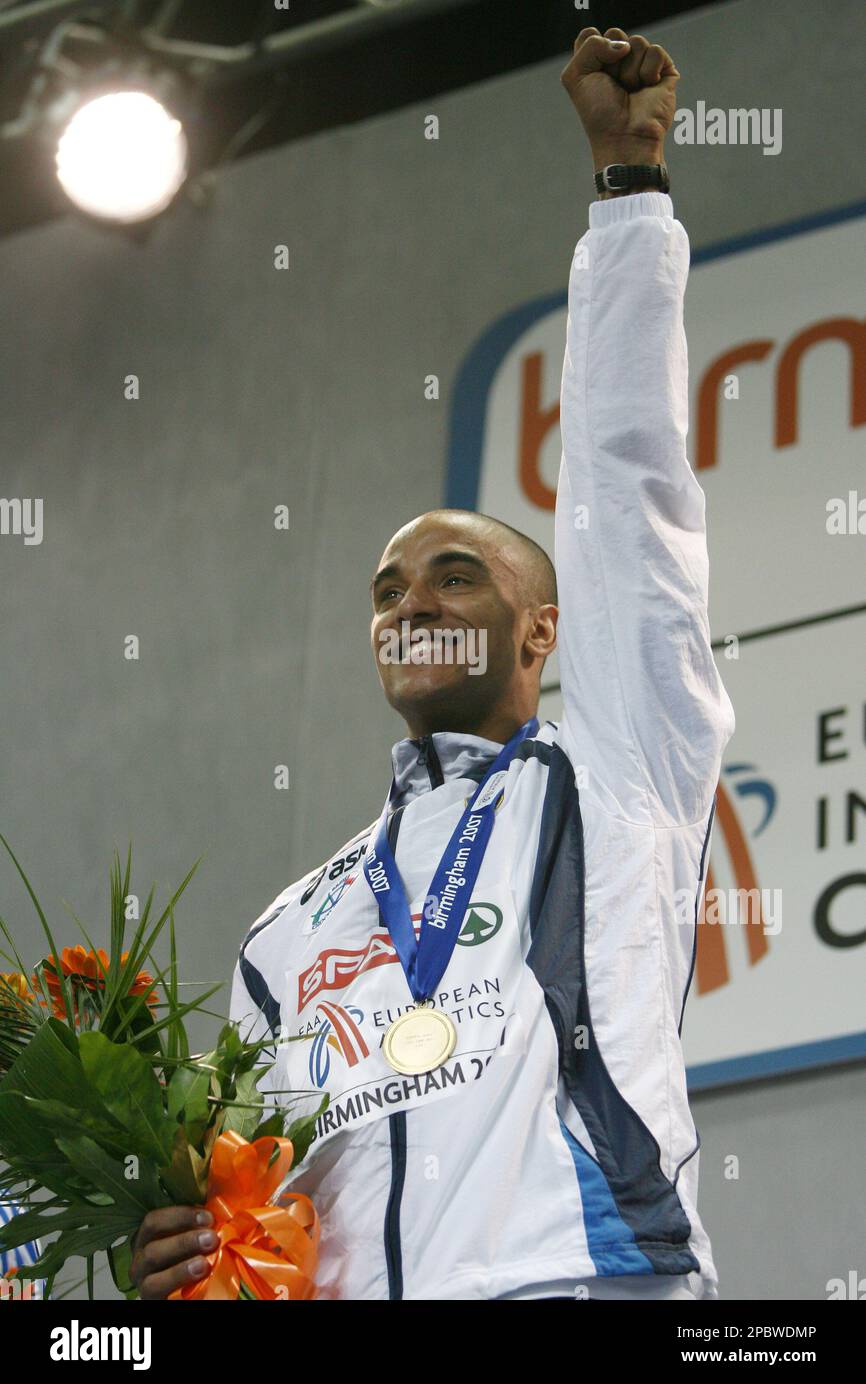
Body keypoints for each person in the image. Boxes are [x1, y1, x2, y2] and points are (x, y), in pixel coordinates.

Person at [131, 26, 735, 1301]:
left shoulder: (614, 778)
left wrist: (627, 194)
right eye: (385, 590)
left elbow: (629, 494)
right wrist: (192, 1267)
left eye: (456, 574)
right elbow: (268, 1208)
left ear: (542, 629)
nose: (411, 603)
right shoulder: (285, 934)